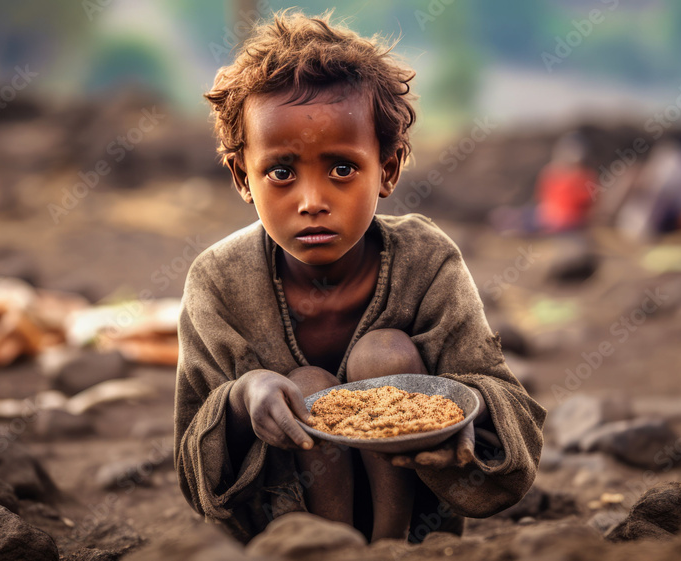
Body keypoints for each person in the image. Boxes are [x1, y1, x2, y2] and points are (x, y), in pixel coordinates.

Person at [174, 10, 547, 545]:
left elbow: (500, 396)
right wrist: (243, 397)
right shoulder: (218, 282)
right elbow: (194, 459)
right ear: (242, 177)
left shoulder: (427, 260)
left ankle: (391, 548)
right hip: (288, 526)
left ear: (388, 169)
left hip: (418, 516)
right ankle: (333, 547)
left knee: (387, 358)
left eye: (342, 168)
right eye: (280, 172)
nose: (312, 201)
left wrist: (466, 411)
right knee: (304, 390)